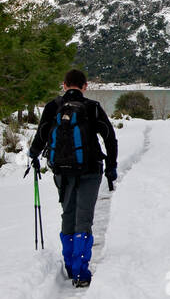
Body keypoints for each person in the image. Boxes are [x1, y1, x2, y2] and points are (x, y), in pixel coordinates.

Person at [29, 69, 119, 287]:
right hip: (90, 170)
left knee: (68, 213)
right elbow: (109, 138)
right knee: (84, 217)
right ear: (85, 86)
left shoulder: (53, 107)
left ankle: (70, 266)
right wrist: (111, 166)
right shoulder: (92, 108)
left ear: (64, 85)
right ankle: (80, 272)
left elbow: (41, 135)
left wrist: (33, 155)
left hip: (62, 171)